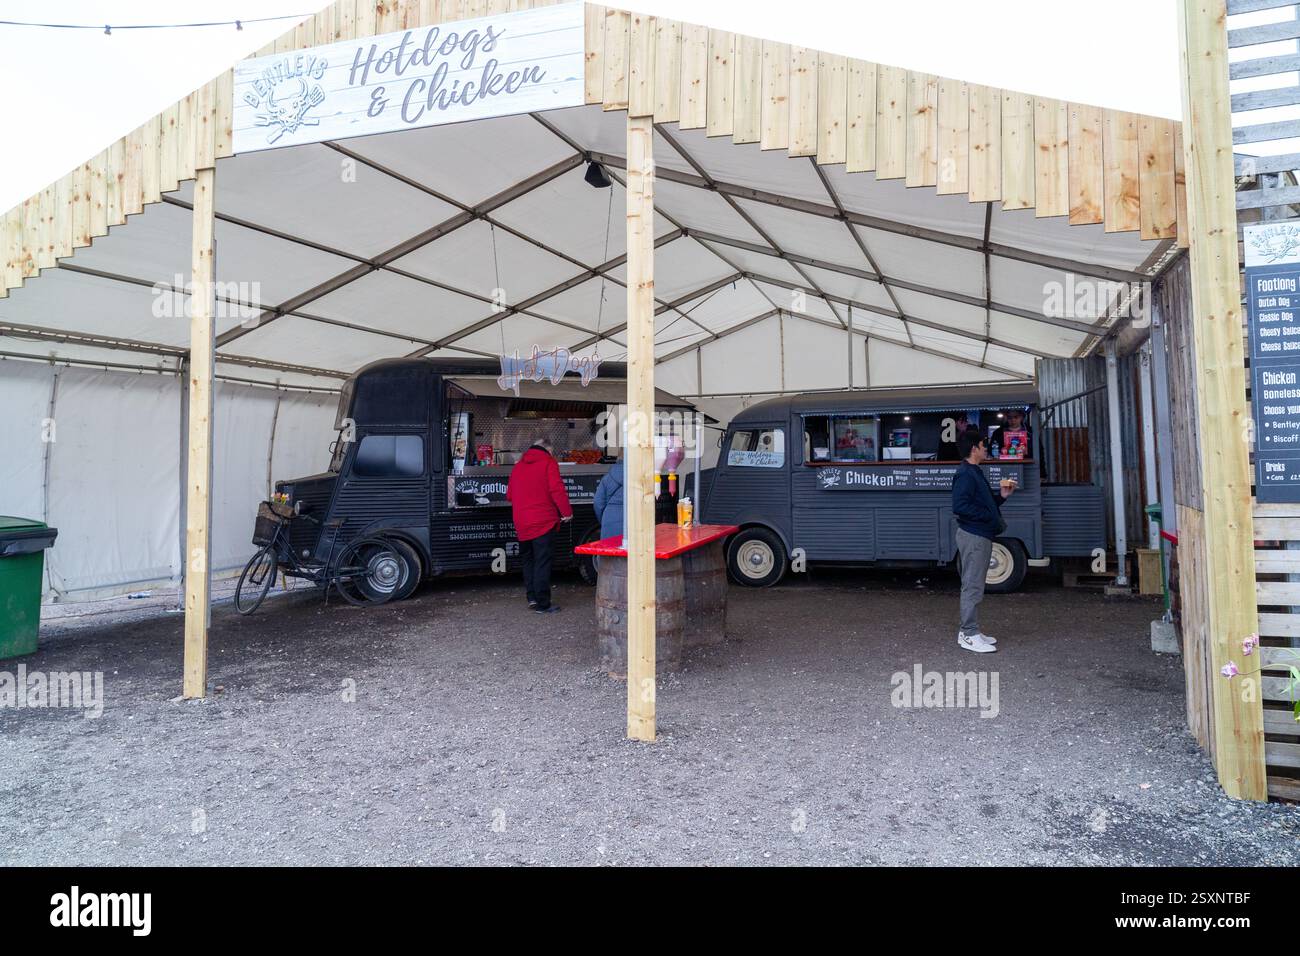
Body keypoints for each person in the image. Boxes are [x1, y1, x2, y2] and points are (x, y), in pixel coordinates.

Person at [952, 428, 1016, 653]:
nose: (987, 448)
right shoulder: (965, 474)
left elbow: (983, 504)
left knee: (975, 584)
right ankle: (968, 634)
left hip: (980, 534)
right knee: (972, 585)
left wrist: (1002, 497)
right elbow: (959, 507)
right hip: (974, 536)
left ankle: (972, 630)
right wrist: (988, 517)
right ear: (974, 449)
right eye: (983, 445)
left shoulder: (974, 471)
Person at [507, 437, 572, 613]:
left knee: (528, 560)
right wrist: (567, 513)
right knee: (542, 561)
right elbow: (556, 489)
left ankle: (532, 598)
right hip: (543, 521)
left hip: (522, 522)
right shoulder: (548, 462)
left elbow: (510, 495)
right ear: (548, 450)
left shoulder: (518, 466)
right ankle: (543, 603)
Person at [592, 458, 625, 541]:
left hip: (610, 519)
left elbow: (598, 502)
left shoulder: (607, 478)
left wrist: (604, 519)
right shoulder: (641, 478)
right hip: (635, 521)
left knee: (609, 551)